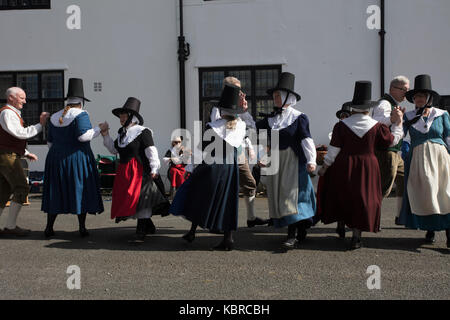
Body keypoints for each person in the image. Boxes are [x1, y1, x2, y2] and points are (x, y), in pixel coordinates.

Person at [318, 81, 404, 250]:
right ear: (368, 108)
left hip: (344, 164)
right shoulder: (377, 127)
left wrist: (325, 167)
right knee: (362, 199)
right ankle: (356, 237)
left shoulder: (341, 126)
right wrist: (398, 124)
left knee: (344, 194)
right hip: (367, 165)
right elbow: (391, 141)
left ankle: (341, 225)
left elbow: (334, 150)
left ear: (353, 108)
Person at [170, 84, 246, 251]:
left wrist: (190, 169)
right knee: (228, 201)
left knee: (197, 195)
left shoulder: (213, 127)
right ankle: (228, 238)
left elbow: (199, 151)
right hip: (230, 169)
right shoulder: (241, 126)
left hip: (212, 168)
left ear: (221, 109)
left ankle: (192, 232)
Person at [256, 72, 317, 249]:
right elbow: (255, 132)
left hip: (293, 161)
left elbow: (307, 139)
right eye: (274, 96)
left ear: (287, 97)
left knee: (291, 197)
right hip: (277, 162)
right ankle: (300, 228)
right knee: (280, 196)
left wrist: (311, 159)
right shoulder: (271, 120)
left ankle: (292, 235)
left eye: (278, 95)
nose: (274, 98)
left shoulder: (299, 117)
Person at [100, 97, 169, 241]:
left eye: (124, 116)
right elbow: (114, 150)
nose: (121, 118)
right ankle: (148, 226)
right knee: (131, 200)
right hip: (124, 172)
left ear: (132, 117)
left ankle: (141, 230)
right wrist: (105, 134)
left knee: (142, 199)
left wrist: (155, 168)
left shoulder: (143, 132)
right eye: (120, 116)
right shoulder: (121, 133)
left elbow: (151, 150)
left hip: (140, 171)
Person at [42, 78, 104, 238]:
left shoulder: (55, 116)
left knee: (56, 191)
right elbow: (83, 137)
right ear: (82, 102)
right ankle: (82, 228)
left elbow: (49, 143)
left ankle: (49, 227)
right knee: (79, 189)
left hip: (55, 159)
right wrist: (99, 128)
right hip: (77, 158)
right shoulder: (82, 114)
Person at [210, 76, 270, 228]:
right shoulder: (217, 108)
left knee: (250, 183)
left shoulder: (238, 107)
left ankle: (251, 218)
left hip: (239, 151)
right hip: (223, 154)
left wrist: (243, 111)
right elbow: (222, 130)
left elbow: (251, 126)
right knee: (219, 187)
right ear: (226, 89)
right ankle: (215, 220)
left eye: (240, 89)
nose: (240, 93)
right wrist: (236, 113)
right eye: (236, 89)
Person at [398, 74, 449, 247]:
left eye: (422, 96)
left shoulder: (441, 114)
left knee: (444, 192)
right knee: (426, 192)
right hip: (419, 159)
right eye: (416, 97)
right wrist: (404, 151)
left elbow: (448, 137)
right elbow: (403, 138)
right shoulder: (408, 116)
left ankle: (449, 232)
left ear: (428, 98)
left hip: (441, 158)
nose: (418, 99)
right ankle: (430, 229)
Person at [0, 87, 48, 236]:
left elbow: (11, 138)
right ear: (11, 98)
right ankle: (10, 226)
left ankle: (9, 225)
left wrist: (26, 153)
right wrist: (40, 125)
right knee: (21, 187)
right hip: (7, 156)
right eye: (21, 98)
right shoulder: (7, 113)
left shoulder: (10, 113)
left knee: (3, 191)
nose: (25, 101)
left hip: (6, 154)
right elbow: (19, 133)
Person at [372, 76, 410, 224]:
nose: (406, 94)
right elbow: (376, 123)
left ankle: (399, 216)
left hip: (394, 151)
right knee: (384, 188)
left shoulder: (392, 104)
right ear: (392, 89)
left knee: (404, 179)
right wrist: (393, 119)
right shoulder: (384, 103)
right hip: (386, 151)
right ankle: (372, 217)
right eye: (404, 90)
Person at [315, 103, 352, 238]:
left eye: (346, 116)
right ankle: (340, 225)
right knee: (337, 197)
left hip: (349, 166)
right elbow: (333, 149)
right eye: (342, 116)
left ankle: (347, 225)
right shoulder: (336, 130)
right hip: (336, 167)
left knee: (348, 197)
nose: (343, 118)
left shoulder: (354, 129)